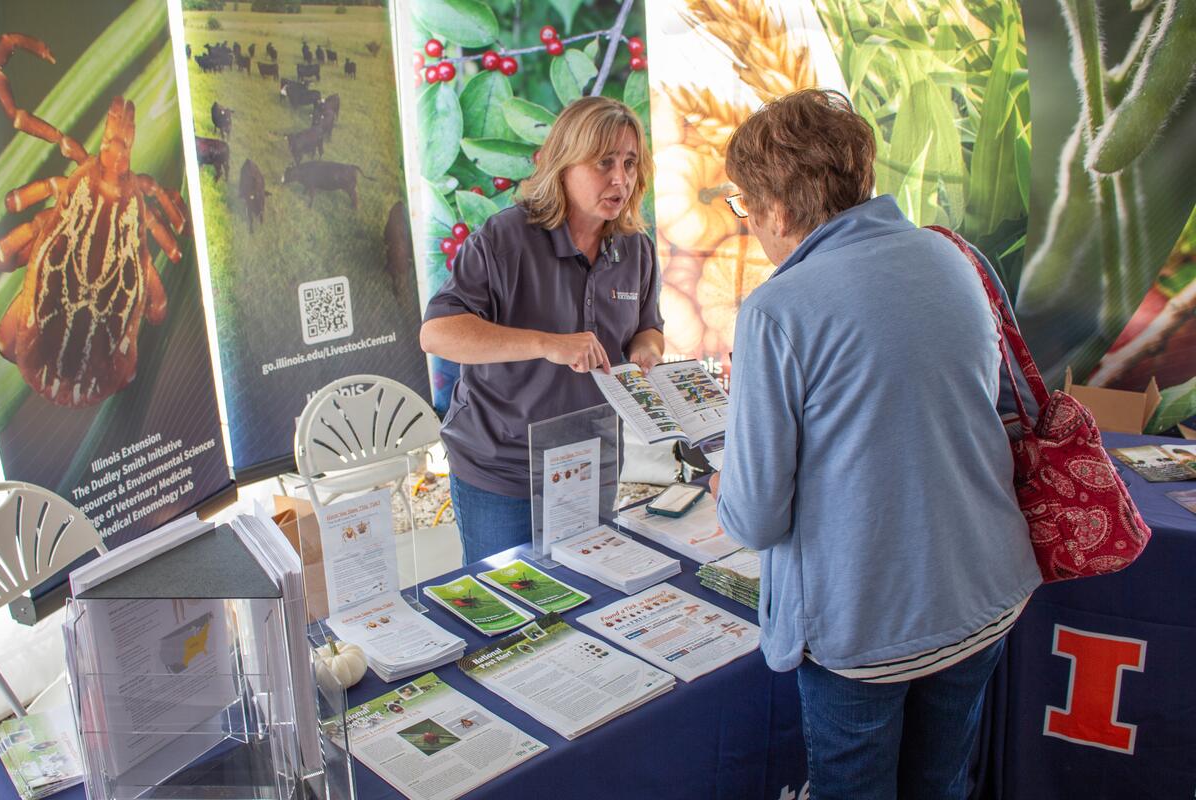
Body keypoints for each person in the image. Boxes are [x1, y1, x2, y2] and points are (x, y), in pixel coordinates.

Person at [711, 89, 1041, 799]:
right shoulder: (951, 257)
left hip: (866, 621)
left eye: (744, 206)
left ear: (777, 206)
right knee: (942, 783)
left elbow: (757, 516)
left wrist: (726, 489)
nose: (748, 227)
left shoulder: (777, 309)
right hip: (983, 591)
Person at [420, 96, 663, 564]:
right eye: (604, 163)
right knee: (510, 618)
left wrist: (646, 352)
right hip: (502, 470)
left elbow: (648, 329)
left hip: (592, 465)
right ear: (563, 165)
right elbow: (438, 333)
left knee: (585, 602)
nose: (621, 178)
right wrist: (544, 343)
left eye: (630, 163)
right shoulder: (503, 239)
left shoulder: (636, 248)